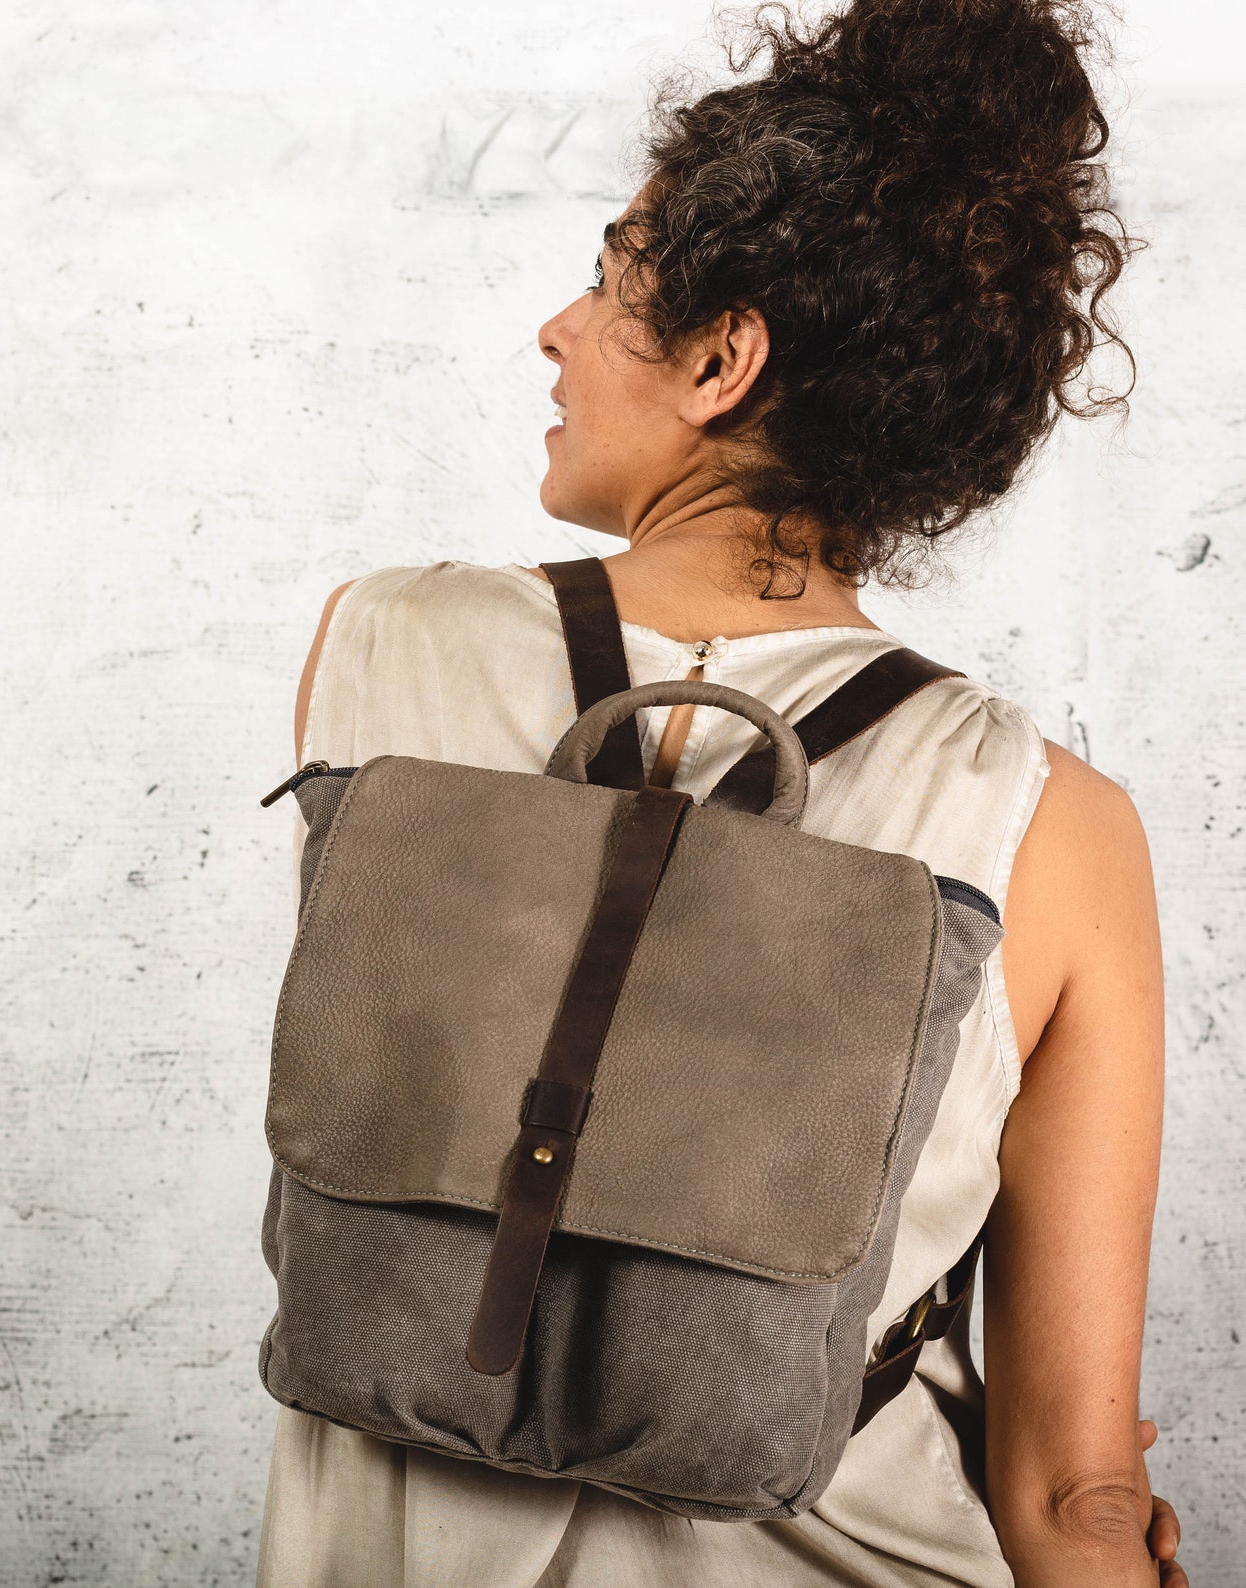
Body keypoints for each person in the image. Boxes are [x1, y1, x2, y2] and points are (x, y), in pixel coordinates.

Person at [256, 0, 1188, 1582]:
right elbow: (1070, 1497)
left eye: (611, 282)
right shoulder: (1057, 826)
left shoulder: (377, 647)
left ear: (721, 356)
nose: (554, 328)